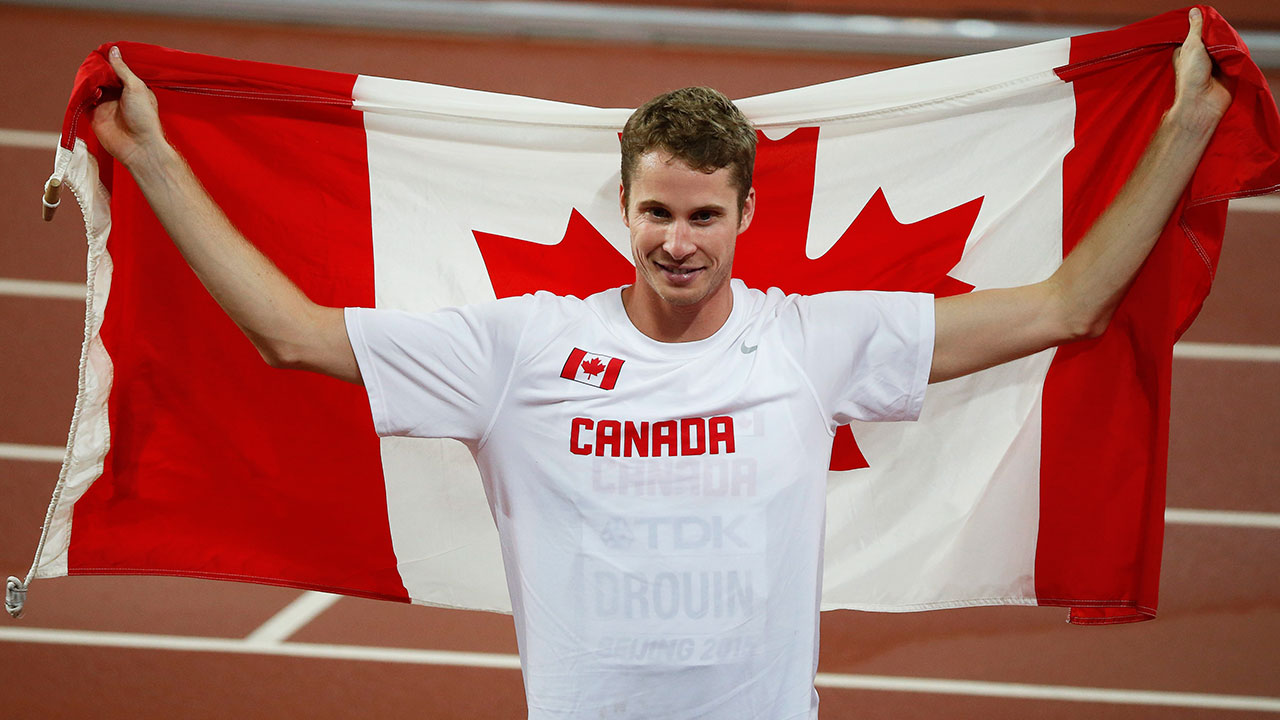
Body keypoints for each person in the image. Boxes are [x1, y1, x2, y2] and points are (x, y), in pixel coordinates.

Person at [93, 9, 1229, 719]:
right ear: (621, 205)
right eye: (653, 213)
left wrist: (1179, 131)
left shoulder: (811, 341)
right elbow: (292, 332)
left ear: (742, 211)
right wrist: (150, 157)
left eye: (701, 214)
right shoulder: (524, 348)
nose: (675, 243)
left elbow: (1071, 306)